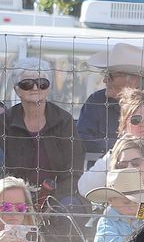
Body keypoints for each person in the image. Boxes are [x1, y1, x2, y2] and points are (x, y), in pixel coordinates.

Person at [1, 57, 85, 203]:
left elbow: (74, 169)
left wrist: (55, 199)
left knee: (70, 205)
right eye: (26, 84)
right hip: (12, 197)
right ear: (17, 90)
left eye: (42, 83)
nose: (35, 88)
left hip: (57, 197)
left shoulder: (64, 121)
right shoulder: (4, 122)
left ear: (49, 88)